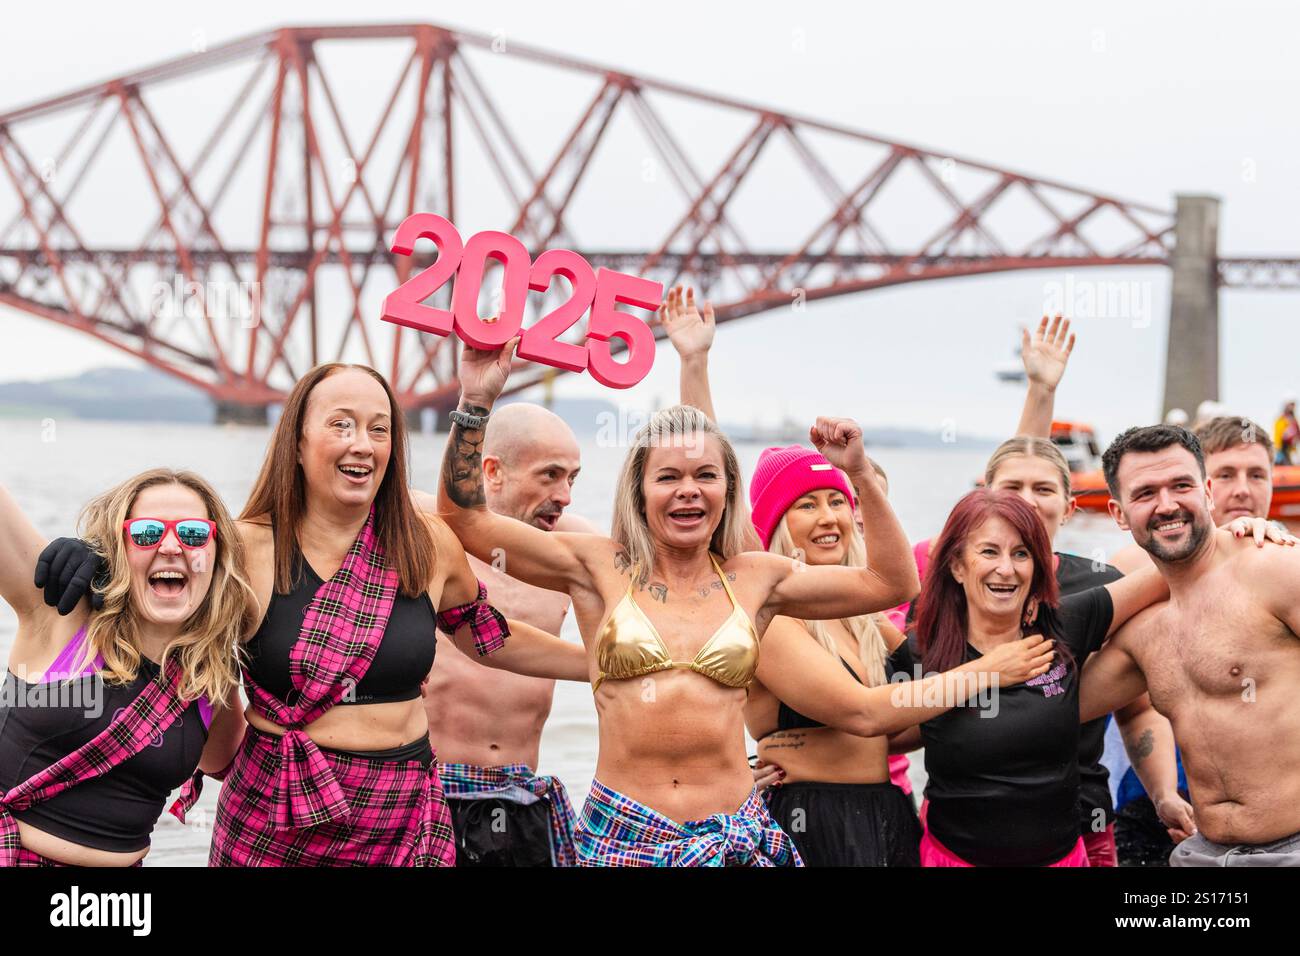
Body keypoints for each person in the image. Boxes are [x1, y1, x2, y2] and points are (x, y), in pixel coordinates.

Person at [438, 328, 1053, 866]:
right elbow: (464, 519)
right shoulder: (597, 566)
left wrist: (860, 475)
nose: (689, 491)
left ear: (728, 491)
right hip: (622, 831)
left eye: (706, 476)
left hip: (736, 833)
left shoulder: (756, 577)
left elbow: (892, 585)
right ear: (639, 489)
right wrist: (475, 402)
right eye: (669, 477)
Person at [38, 364, 589, 867]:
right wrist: (95, 557)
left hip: (404, 817)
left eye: (379, 430)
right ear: (297, 443)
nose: (363, 445)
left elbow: (484, 635)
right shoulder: (242, 549)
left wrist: (602, 664)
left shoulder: (426, 543)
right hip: (274, 813)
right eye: (341, 425)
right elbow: (160, 576)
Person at [897, 489, 1178, 867]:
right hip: (953, 857)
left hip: (1061, 857)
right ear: (957, 566)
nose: (1007, 569)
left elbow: (1166, 576)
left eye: (1021, 553)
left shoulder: (1063, 626)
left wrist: (1237, 532)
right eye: (989, 552)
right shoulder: (922, 648)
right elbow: (878, 731)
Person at [0, 469, 254, 866]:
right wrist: (91, 549)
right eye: (147, 533)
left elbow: (233, 763)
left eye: (192, 534)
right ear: (119, 547)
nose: (171, 546)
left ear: (215, 556)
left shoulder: (210, 679)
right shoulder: (59, 609)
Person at [1081, 424, 1300, 866]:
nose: (1167, 505)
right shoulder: (1142, 628)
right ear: (1118, 513)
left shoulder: (1273, 567)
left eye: (1181, 486)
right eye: (1145, 493)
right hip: (1201, 853)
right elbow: (1057, 703)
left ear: (1207, 492)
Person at [417, 402, 597, 867]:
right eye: (550, 475)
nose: (565, 495)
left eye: (572, 479)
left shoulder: (572, 548)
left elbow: (684, 575)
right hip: (429, 791)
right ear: (492, 471)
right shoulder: (427, 530)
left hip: (520, 797)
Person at [742, 445, 923, 865]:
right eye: (807, 504)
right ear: (776, 524)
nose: (829, 517)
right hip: (812, 820)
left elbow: (915, 716)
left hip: (887, 811)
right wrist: (985, 674)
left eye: (838, 500)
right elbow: (863, 714)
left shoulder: (867, 620)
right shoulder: (770, 618)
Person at [1273, 397, 1298, 465]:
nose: (1292, 407)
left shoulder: (1294, 421)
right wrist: (1278, 450)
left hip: (1291, 450)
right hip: (1282, 450)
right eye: (1291, 404)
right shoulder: (1280, 420)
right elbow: (1278, 436)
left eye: (1293, 405)